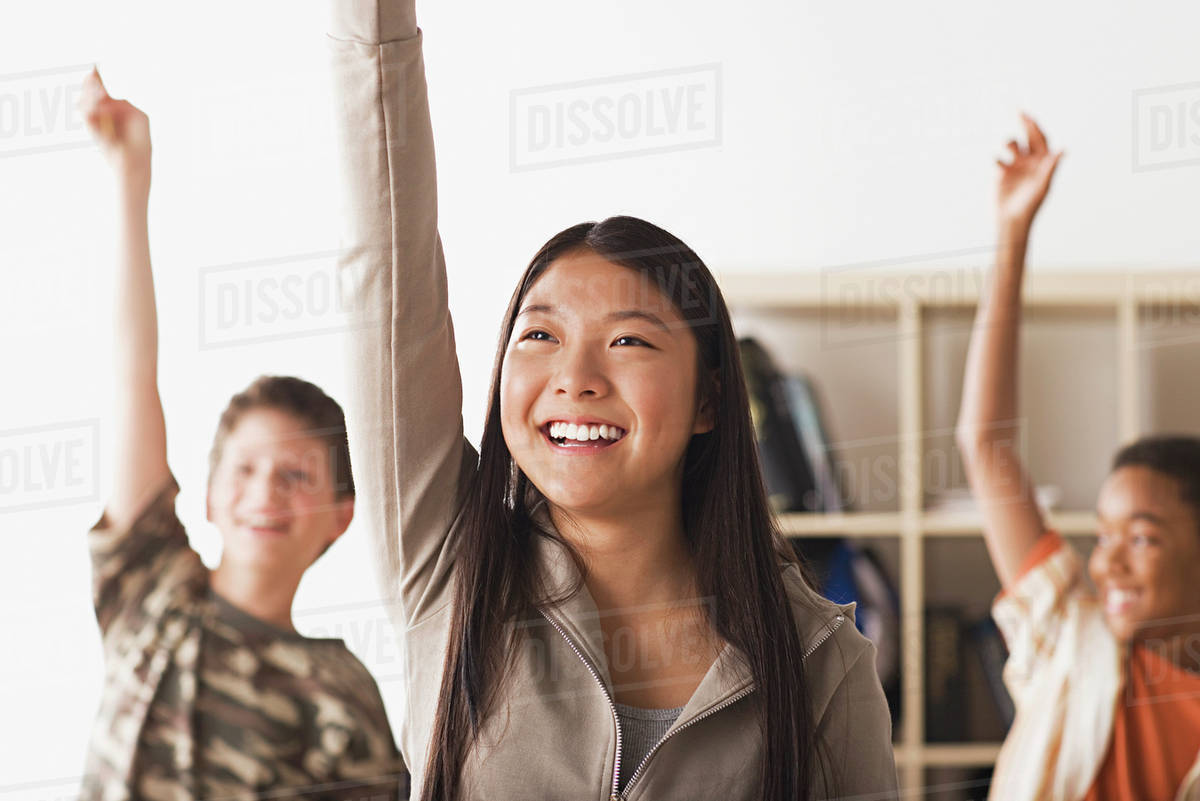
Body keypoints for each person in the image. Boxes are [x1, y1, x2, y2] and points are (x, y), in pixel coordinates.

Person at [324, 2, 898, 799]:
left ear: (710, 401)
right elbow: (388, 282)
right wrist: (375, 28)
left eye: (629, 340)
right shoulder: (449, 562)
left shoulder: (817, 658)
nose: (575, 377)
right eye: (540, 336)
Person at [77, 68, 407, 800]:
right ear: (213, 495)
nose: (266, 491)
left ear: (339, 514)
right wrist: (133, 179)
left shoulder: (340, 697)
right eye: (247, 469)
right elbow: (134, 375)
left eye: (296, 475)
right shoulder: (150, 589)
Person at [957, 114, 1200, 800]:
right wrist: (1011, 234)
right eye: (1106, 534)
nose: (1107, 560)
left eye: (1144, 537)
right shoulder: (1069, 633)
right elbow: (986, 444)